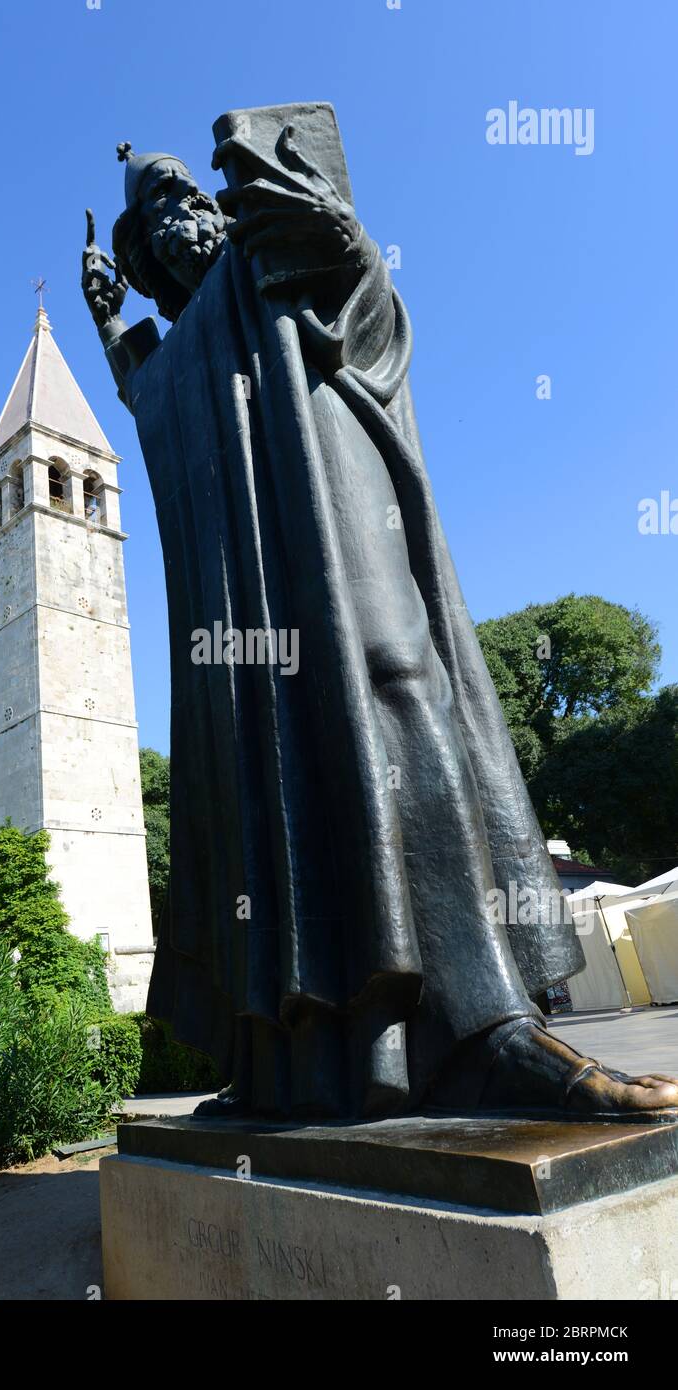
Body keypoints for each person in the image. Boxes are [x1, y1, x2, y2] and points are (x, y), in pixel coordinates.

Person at [82, 121, 678, 1123]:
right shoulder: (182, 358)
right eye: (159, 224)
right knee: (256, 787)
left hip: (336, 524)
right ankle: (286, 1063)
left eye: (190, 203)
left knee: (399, 685)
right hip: (248, 615)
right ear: (143, 266)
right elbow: (150, 403)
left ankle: (493, 1031)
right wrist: (109, 327)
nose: (184, 225)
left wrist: (303, 201)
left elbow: (356, 280)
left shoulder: (271, 265)